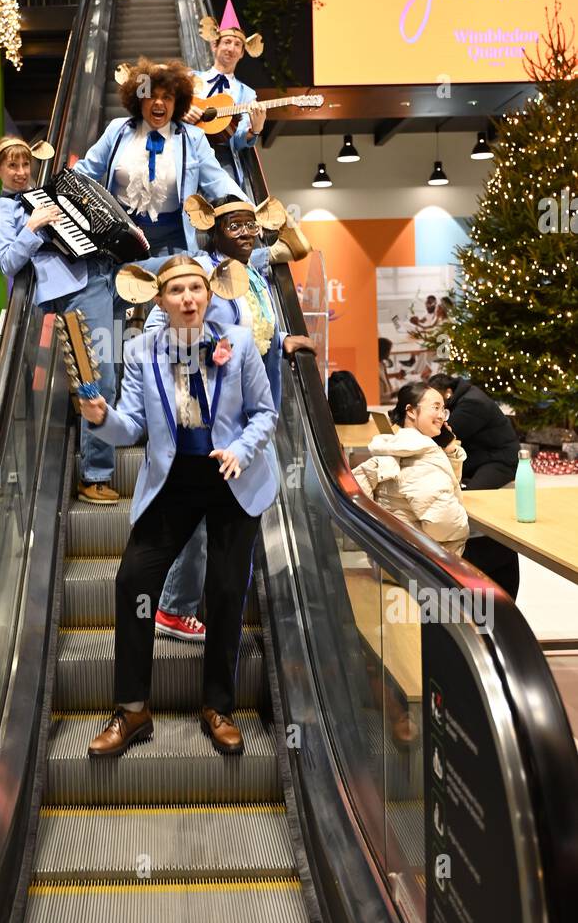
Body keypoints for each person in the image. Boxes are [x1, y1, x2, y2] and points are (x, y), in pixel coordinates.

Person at [80, 255, 278, 758]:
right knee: (133, 581)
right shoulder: (142, 350)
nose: (188, 298)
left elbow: (264, 413)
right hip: (175, 479)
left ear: (209, 295)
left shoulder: (236, 344)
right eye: (177, 291)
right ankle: (132, 710)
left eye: (196, 288)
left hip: (233, 474)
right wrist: (102, 418)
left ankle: (218, 707)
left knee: (227, 588)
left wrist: (242, 449)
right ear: (160, 299)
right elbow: (132, 425)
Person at [144, 193, 315, 640]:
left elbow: (297, 250)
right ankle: (174, 608)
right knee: (202, 512)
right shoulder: (199, 270)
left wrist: (282, 342)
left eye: (249, 224)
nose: (245, 233)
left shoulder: (249, 270)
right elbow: (155, 328)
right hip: (206, 411)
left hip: (250, 414)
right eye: (234, 226)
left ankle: (217, 610)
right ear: (212, 231)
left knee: (237, 509)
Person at [0, 133, 123, 504]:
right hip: (76, 292)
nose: (20, 172)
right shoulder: (2, 211)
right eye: (11, 165)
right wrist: (32, 228)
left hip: (105, 274)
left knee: (168, 273)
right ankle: (96, 475)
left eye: (25, 164)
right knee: (100, 378)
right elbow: (7, 263)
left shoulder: (46, 194)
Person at [74, 56, 247, 257]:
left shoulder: (193, 137)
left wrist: (248, 209)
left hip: (173, 239)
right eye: (151, 96)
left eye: (167, 97)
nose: (158, 103)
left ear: (177, 103)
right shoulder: (117, 130)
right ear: (139, 99)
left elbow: (218, 182)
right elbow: (84, 173)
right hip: (122, 233)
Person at [428, 371, 521, 596]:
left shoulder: (472, 403)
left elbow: (445, 436)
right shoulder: (463, 397)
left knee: (472, 497)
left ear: (447, 393)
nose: (437, 410)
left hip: (499, 458)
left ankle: (473, 542)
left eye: (437, 404)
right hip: (481, 454)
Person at [353, 382, 469, 555]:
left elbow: (442, 487)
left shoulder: (400, 446)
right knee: (499, 551)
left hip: (395, 552)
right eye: (435, 408)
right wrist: (465, 526)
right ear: (411, 411)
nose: (441, 416)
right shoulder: (422, 459)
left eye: (443, 410)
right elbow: (445, 525)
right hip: (423, 562)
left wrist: (449, 450)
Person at [186, 0, 268, 189]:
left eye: (238, 45)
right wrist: (183, 111)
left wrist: (254, 130)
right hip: (187, 153)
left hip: (223, 162)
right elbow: (166, 109)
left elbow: (239, 141)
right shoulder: (191, 79)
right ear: (215, 46)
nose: (231, 48)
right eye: (227, 42)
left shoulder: (246, 94)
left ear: (242, 53)